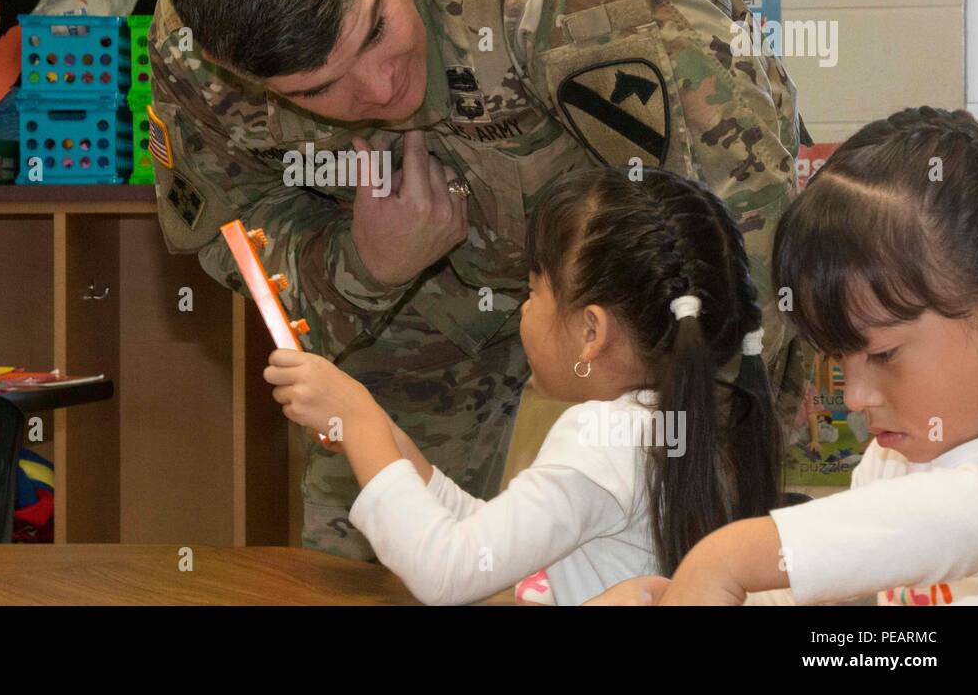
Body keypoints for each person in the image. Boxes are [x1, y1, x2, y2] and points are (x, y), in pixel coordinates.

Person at [148, 0, 806, 559]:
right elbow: (232, 243)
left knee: (698, 533)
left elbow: (742, 208)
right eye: (318, 91)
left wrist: (722, 414)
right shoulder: (194, 54)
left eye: (375, 31)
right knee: (381, 548)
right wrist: (365, 266)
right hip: (417, 292)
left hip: (618, 269)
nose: (377, 91)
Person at [263, 167, 781, 604]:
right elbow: (495, 541)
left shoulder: (600, 435)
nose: (524, 308)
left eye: (533, 291)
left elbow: (446, 571)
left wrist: (357, 423)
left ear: (591, 332)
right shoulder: (679, 425)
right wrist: (384, 435)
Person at [646, 108, 978, 604]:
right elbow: (829, 579)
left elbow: (956, 516)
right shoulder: (889, 461)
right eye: (837, 359)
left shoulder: (957, 496)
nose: (855, 397)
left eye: (885, 353)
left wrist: (727, 559)